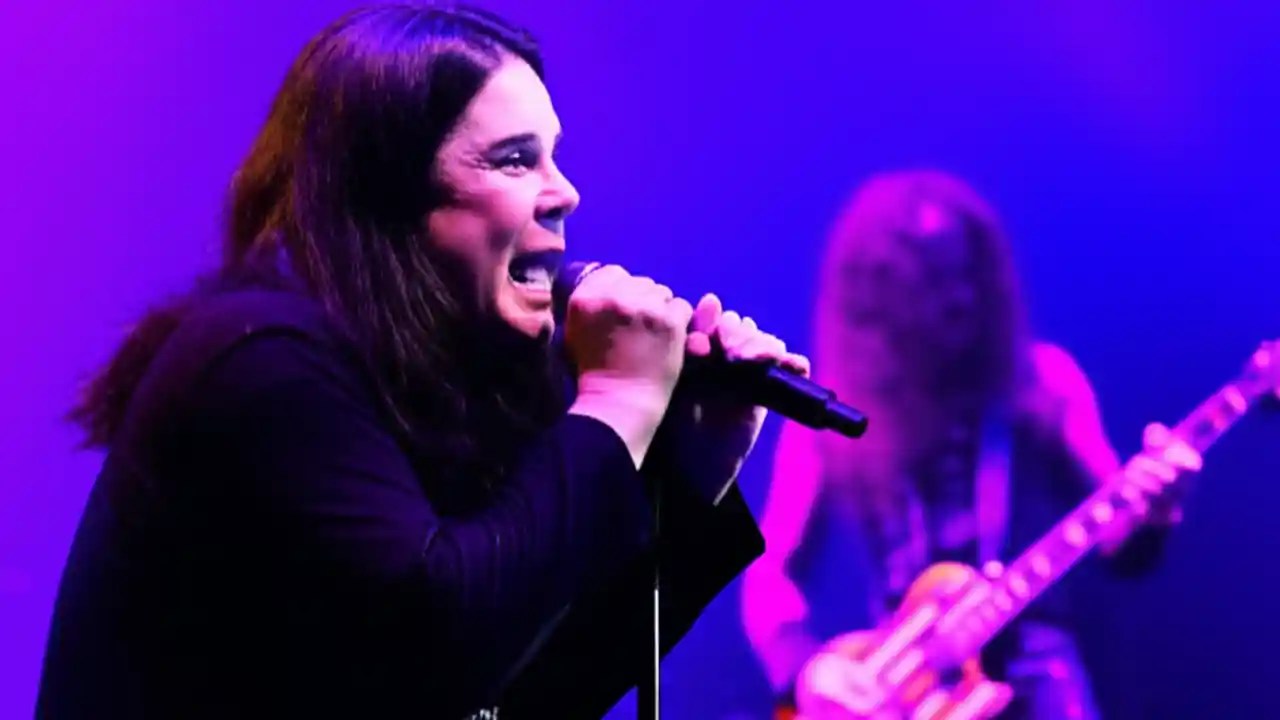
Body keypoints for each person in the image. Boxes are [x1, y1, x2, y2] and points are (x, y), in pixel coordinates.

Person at [36, 5, 810, 718]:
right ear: (390, 196)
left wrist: (687, 479)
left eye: (554, 156)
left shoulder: (447, 387)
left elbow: (520, 698)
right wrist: (615, 402)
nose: (565, 193)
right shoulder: (264, 361)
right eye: (515, 160)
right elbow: (439, 641)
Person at [740, 170, 1201, 719]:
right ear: (879, 296)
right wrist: (804, 669)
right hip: (905, 687)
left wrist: (1157, 511)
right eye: (930, 281)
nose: (957, 297)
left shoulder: (1042, 382)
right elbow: (769, 574)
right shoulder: (832, 408)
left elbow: (1121, 549)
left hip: (1032, 674)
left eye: (965, 275)